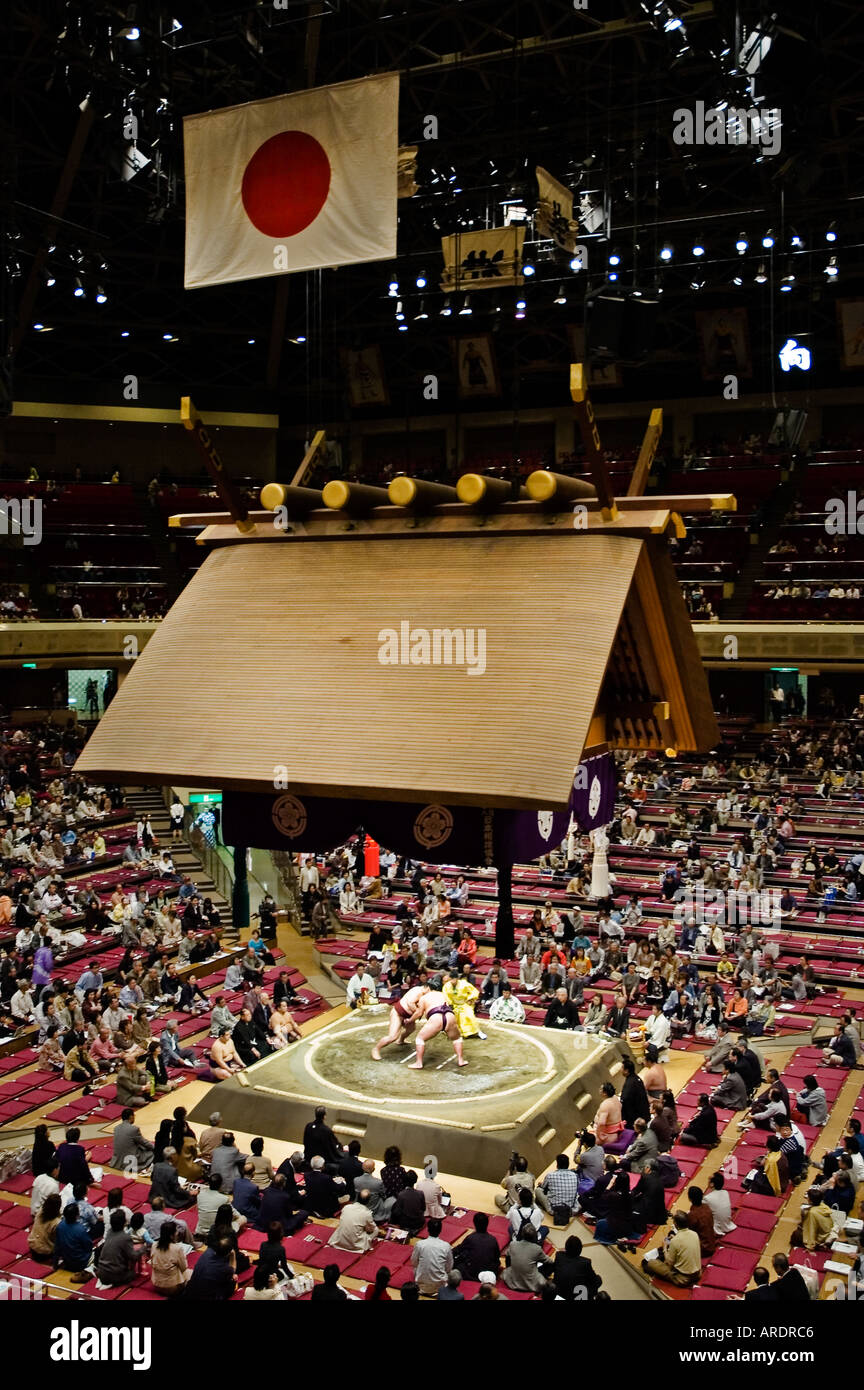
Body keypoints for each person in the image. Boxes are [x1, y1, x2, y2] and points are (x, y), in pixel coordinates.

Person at [408, 984, 466, 1069]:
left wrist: (410, 1020)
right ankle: (461, 1060)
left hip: (436, 1017)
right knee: (457, 1038)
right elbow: (450, 1004)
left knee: (419, 1039)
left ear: (428, 988)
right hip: (450, 1016)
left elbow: (419, 1013)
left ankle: (418, 1063)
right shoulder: (443, 994)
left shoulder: (424, 997)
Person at [371, 983, 430, 1060]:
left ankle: (401, 1040)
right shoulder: (418, 991)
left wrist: (415, 1015)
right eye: (429, 991)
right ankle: (376, 1049)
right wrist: (418, 1011)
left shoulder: (424, 994)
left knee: (411, 1029)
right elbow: (410, 1003)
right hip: (398, 1013)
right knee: (393, 1036)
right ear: (427, 988)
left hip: (408, 1015)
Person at [641, 1212, 701, 1287]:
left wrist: (664, 1247)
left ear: (675, 1224)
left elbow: (669, 1263)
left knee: (649, 1263)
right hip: (697, 1273)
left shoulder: (675, 1241)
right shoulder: (694, 1234)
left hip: (683, 1278)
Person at [95, 1208, 140, 1287]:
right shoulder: (125, 1237)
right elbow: (134, 1256)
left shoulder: (109, 1232)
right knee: (133, 1274)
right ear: (124, 1222)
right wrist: (143, 1248)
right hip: (113, 1275)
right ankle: (112, 1282)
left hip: (101, 1271)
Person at [410, 1216, 453, 1297]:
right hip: (440, 1286)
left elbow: (414, 1262)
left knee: (416, 1268)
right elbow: (449, 1267)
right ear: (440, 1230)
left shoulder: (420, 1244)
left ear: (428, 1229)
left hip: (421, 1285)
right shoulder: (446, 1246)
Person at [185, 1236, 237, 1301]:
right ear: (229, 1252)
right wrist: (233, 1255)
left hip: (190, 1291)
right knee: (233, 1280)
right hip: (208, 1297)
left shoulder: (207, 1252)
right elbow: (233, 1270)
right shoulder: (225, 1269)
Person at [502, 1226, 551, 1294]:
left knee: (508, 1257)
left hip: (512, 1281)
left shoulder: (513, 1244)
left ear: (522, 1234)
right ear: (535, 1236)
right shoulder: (537, 1249)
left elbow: (506, 1254)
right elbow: (549, 1261)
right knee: (550, 1265)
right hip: (530, 1284)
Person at [553, 1234, 602, 1301]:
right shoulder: (585, 1263)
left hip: (558, 1292)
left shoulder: (559, 1255)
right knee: (598, 1280)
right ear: (580, 1249)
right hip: (575, 1296)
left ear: (566, 1247)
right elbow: (593, 1279)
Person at [454, 1212, 501, 1280]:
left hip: (472, 1273)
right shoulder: (493, 1239)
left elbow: (458, 1250)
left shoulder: (470, 1238)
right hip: (488, 1273)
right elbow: (497, 1257)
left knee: (458, 1261)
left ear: (474, 1223)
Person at [54, 1203, 94, 1280]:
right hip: (81, 1262)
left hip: (67, 1261)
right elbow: (89, 1246)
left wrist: (55, 1265)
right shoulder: (80, 1229)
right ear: (77, 1215)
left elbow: (57, 1247)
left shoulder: (60, 1226)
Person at [29, 1192, 63, 1262]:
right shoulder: (56, 1222)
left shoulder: (41, 1210)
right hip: (44, 1252)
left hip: (32, 1245)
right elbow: (57, 1240)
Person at [592, 1082, 624, 1146]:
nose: (599, 1090)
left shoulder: (605, 1104)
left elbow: (601, 1123)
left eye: (601, 1089)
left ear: (605, 1093)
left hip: (609, 1135)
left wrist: (599, 1135)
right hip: (614, 1130)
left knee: (586, 1140)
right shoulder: (615, 1097)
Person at [704, 1172, 735, 1236]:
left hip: (717, 1228)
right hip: (728, 1224)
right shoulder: (726, 1192)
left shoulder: (707, 1198)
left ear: (712, 1184)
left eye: (709, 1179)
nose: (707, 1180)